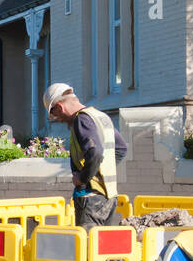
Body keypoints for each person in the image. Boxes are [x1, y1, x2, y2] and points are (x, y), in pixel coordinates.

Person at [41, 83, 128, 218]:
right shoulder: (100, 116)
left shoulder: (81, 120)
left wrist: (83, 178)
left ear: (59, 107)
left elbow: (95, 152)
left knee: (86, 238)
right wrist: (100, 171)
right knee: (99, 239)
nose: (59, 120)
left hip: (91, 201)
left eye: (55, 115)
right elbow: (121, 148)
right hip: (109, 198)